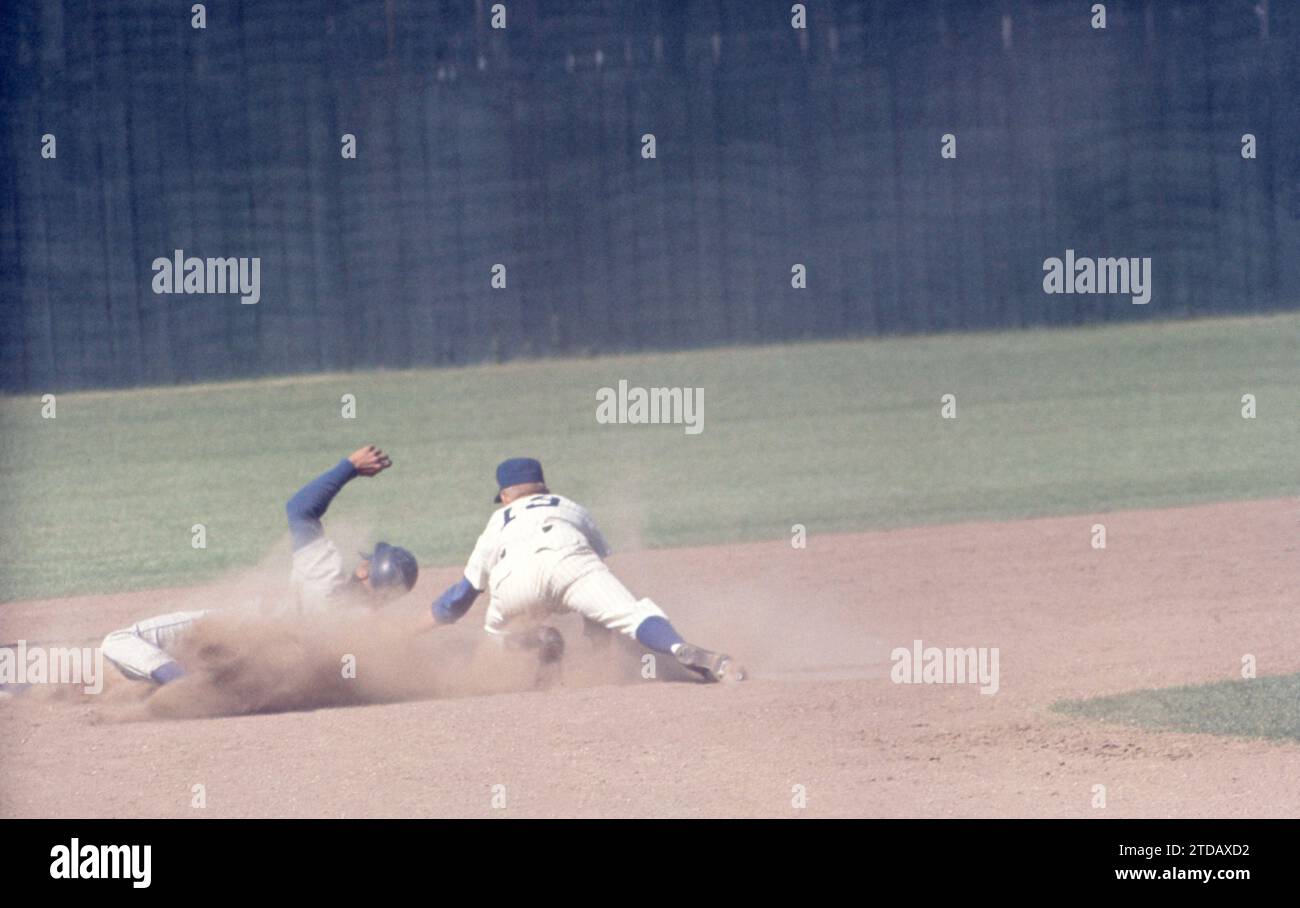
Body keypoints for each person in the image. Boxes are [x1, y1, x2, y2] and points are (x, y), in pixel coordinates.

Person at [101, 445, 418, 685]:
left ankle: (183, 687)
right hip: (261, 674)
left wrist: (349, 467)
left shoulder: (326, 577)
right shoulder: (364, 632)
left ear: (366, 570)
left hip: (232, 633)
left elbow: (300, 510)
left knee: (118, 642)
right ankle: (192, 683)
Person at [429, 457, 744, 683]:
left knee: (494, 640)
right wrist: (599, 648)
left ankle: (534, 643)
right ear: (543, 487)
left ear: (506, 495)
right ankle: (678, 647)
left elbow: (461, 596)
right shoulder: (568, 506)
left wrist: (423, 622)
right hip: (571, 563)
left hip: (513, 583)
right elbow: (596, 574)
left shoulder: (497, 521)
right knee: (632, 613)